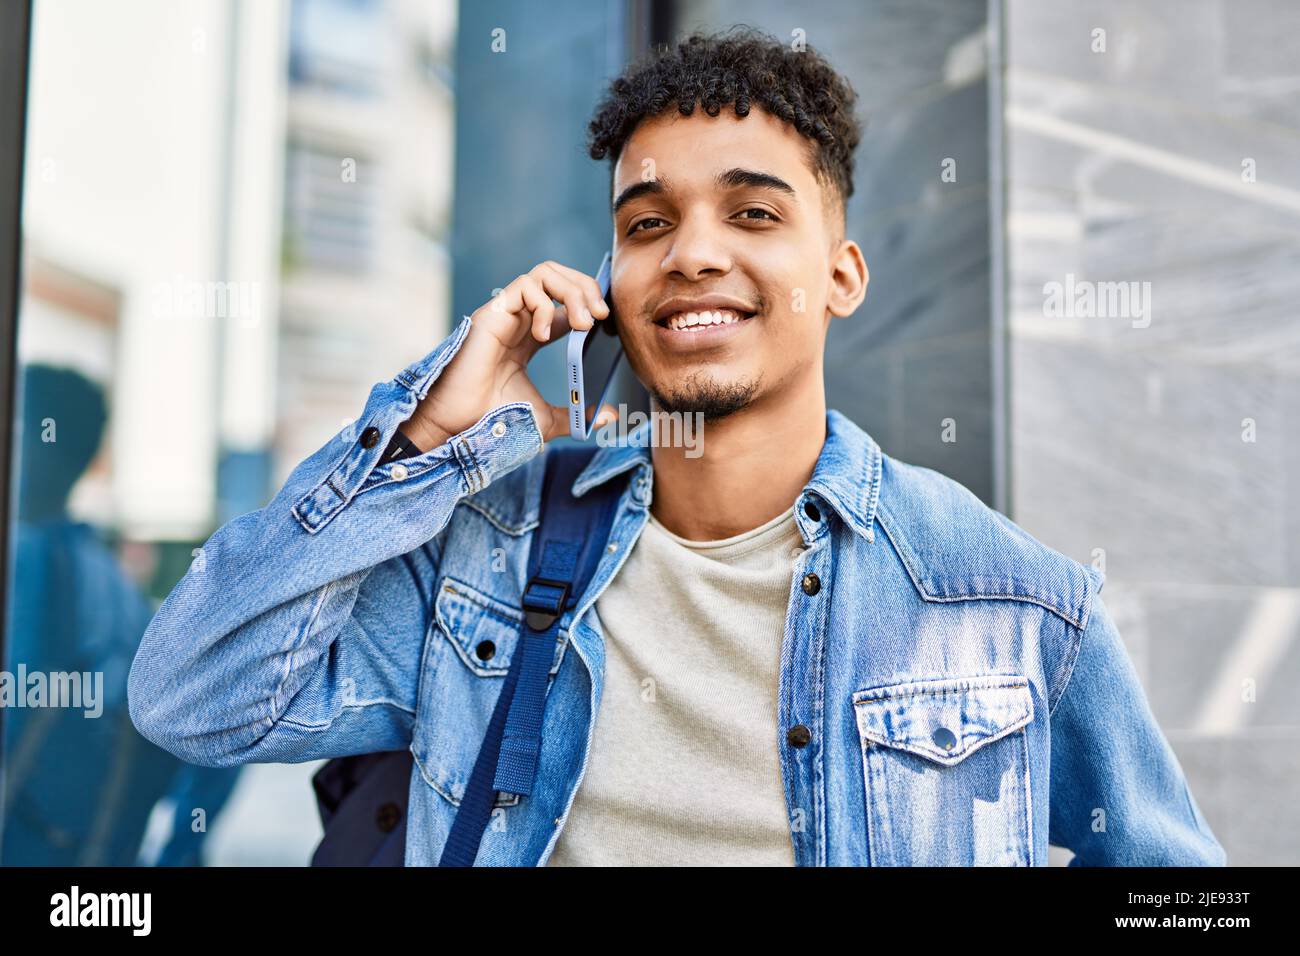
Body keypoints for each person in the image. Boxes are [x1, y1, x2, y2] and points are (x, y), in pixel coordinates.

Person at [128, 27, 1225, 866]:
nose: (692, 252)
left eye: (751, 215)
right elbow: (194, 694)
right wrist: (429, 433)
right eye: (647, 223)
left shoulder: (1012, 605)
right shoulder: (489, 555)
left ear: (841, 275)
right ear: (610, 283)